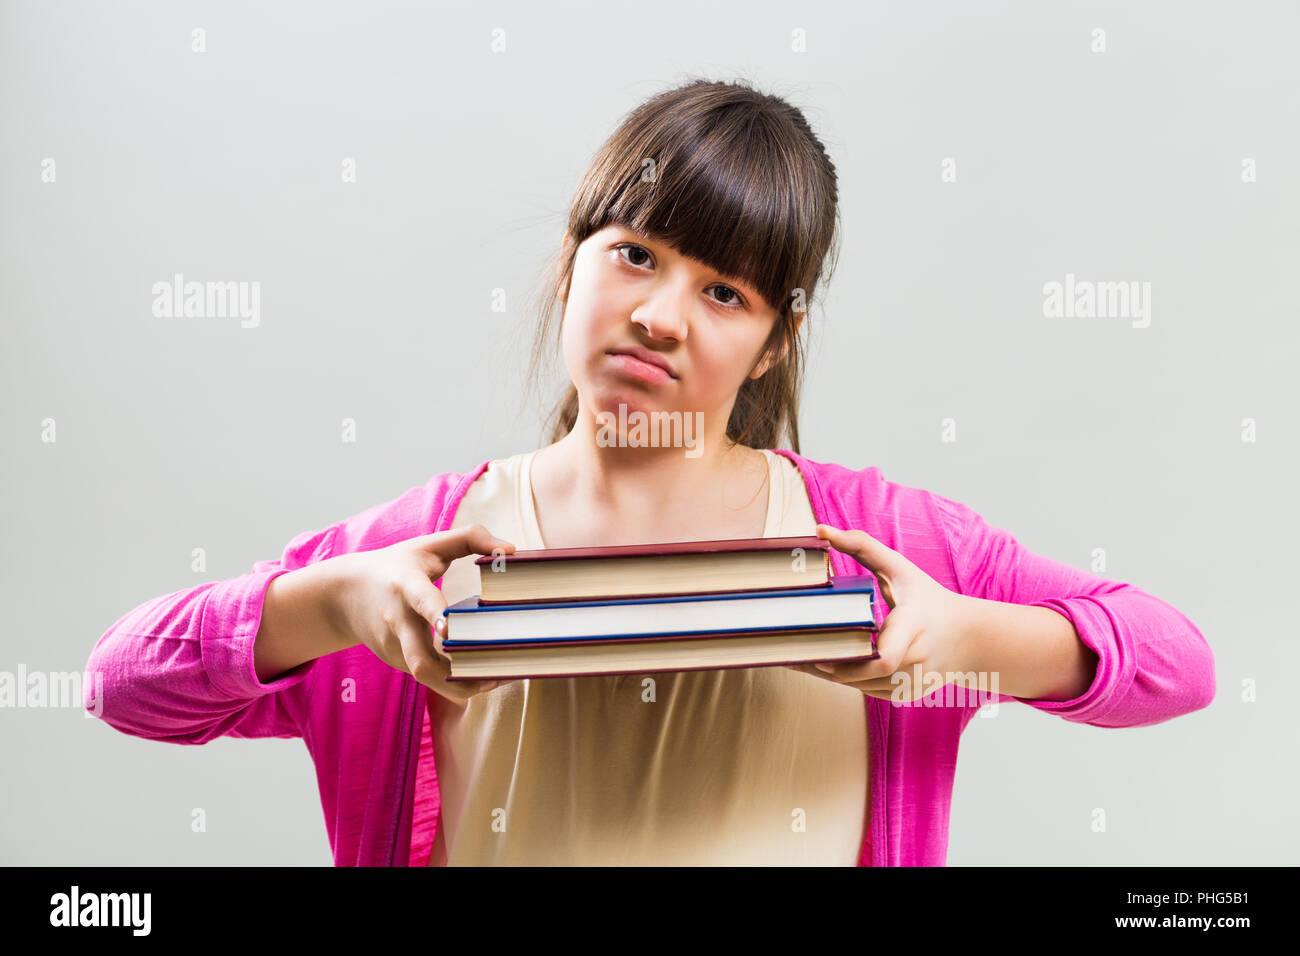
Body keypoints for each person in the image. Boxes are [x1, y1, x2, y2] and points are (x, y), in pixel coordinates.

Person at [84, 78, 1216, 866]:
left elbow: (1179, 662)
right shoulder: (416, 554)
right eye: (634, 254)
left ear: (774, 340)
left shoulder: (883, 541)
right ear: (570, 265)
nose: (661, 315)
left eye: (725, 291)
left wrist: (967, 642)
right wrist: (330, 601)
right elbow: (122, 683)